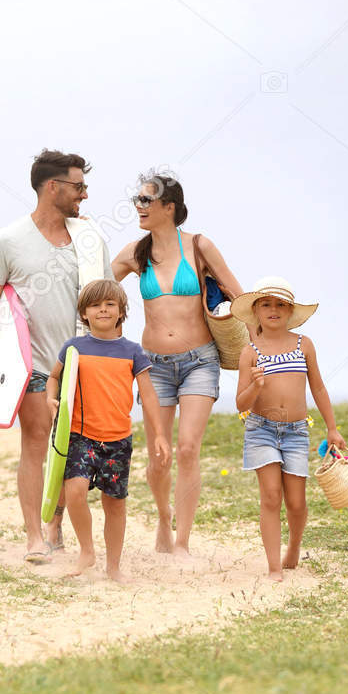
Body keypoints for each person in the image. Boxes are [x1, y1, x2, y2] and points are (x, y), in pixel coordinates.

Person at [0, 150, 110, 560]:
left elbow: (107, 301)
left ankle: (55, 522)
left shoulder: (89, 239)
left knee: (70, 449)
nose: (84, 194)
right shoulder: (8, 241)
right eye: (79, 186)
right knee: (35, 443)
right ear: (53, 187)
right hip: (31, 364)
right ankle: (34, 535)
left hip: (82, 363)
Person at [109, 172, 241, 556]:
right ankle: (163, 518)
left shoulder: (199, 246)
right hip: (153, 366)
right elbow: (95, 286)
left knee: (186, 449)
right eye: (137, 199)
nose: (139, 205)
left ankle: (181, 541)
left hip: (200, 360)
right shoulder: (136, 252)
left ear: (170, 207)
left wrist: (261, 344)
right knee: (158, 456)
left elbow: (237, 291)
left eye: (146, 200)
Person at [44, 279, 169, 580]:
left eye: (110, 304)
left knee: (114, 503)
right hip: (79, 435)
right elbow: (53, 378)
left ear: (121, 311)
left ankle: (113, 567)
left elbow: (149, 395)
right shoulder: (73, 348)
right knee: (74, 491)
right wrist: (51, 398)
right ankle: (87, 551)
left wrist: (161, 434)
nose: (103, 309)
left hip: (117, 439)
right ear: (84, 314)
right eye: (95, 305)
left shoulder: (132, 351)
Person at [230, 277, 344, 582]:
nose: (273, 309)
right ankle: (273, 567)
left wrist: (332, 428)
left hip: (296, 432)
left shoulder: (303, 345)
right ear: (255, 311)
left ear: (290, 311)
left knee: (296, 502)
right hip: (261, 430)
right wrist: (255, 385)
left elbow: (317, 387)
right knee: (270, 497)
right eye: (266, 304)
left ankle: (293, 548)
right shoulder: (250, 352)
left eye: (280, 304)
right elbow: (241, 404)